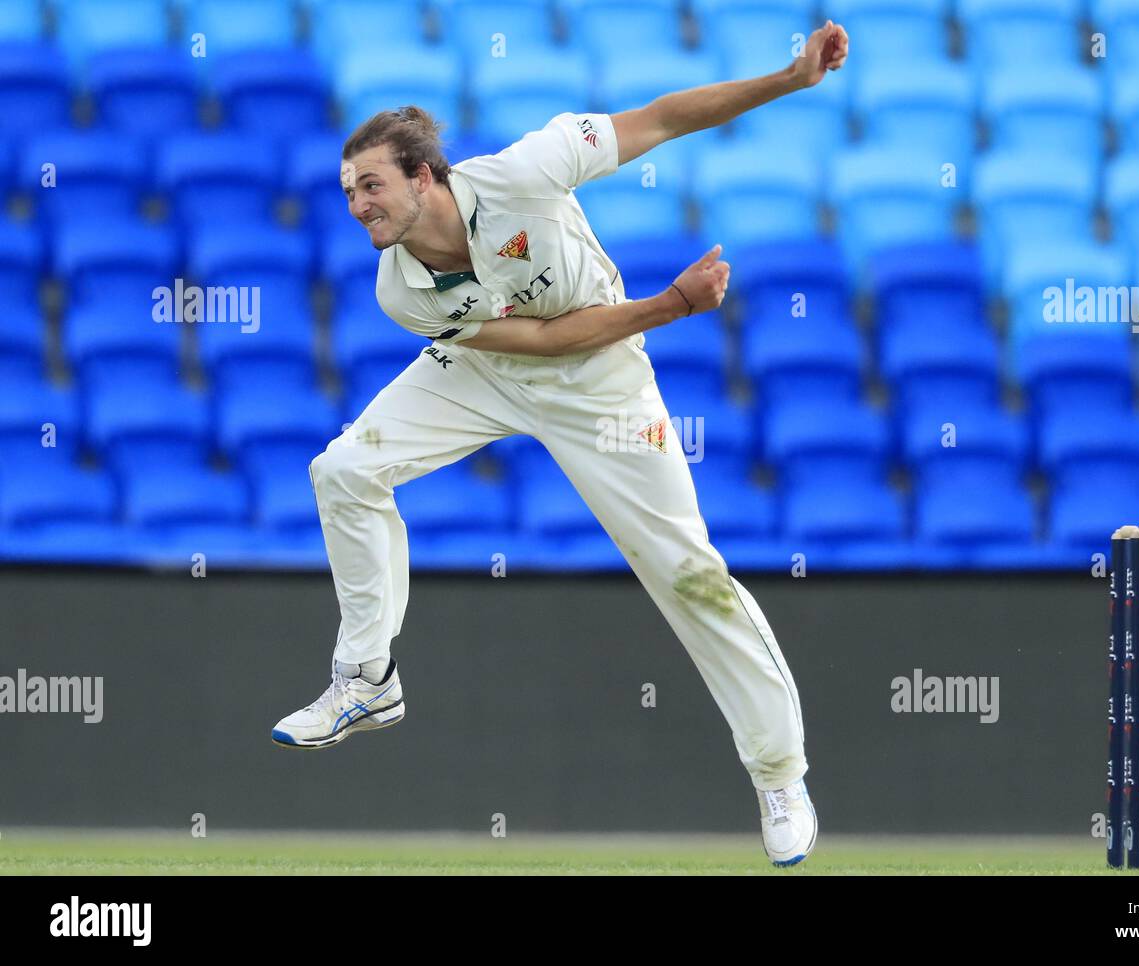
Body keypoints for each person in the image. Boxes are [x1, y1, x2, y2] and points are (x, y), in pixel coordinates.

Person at [272, 19, 850, 866]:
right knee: (344, 470)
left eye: (370, 187)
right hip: (499, 367)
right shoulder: (401, 292)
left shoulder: (527, 170)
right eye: (348, 192)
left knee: (690, 572)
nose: (357, 206)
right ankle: (367, 679)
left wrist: (788, 80)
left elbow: (662, 118)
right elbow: (537, 345)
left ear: (425, 177)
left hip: (603, 382)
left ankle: (779, 772)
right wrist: (674, 305)